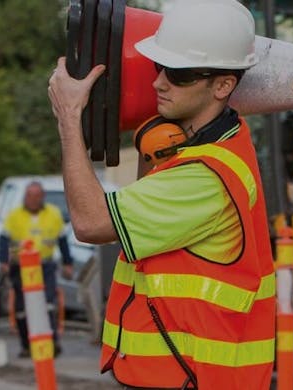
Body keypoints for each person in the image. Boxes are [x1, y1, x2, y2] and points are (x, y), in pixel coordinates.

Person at [48, 0, 275, 388]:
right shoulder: (222, 144)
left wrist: (69, 117)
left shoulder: (204, 177)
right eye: (158, 67)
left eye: (178, 73)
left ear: (223, 85)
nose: (158, 82)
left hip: (190, 380)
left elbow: (90, 222)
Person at [0, 181, 73, 358]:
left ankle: (52, 343)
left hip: (44, 266)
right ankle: (26, 346)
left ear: (42, 197)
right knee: (22, 309)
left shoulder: (53, 214)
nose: (32, 200)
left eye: (36, 196)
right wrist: (4, 262)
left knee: (47, 305)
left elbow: (62, 241)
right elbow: (3, 239)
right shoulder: (14, 216)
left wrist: (67, 263)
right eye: (29, 196)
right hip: (21, 267)